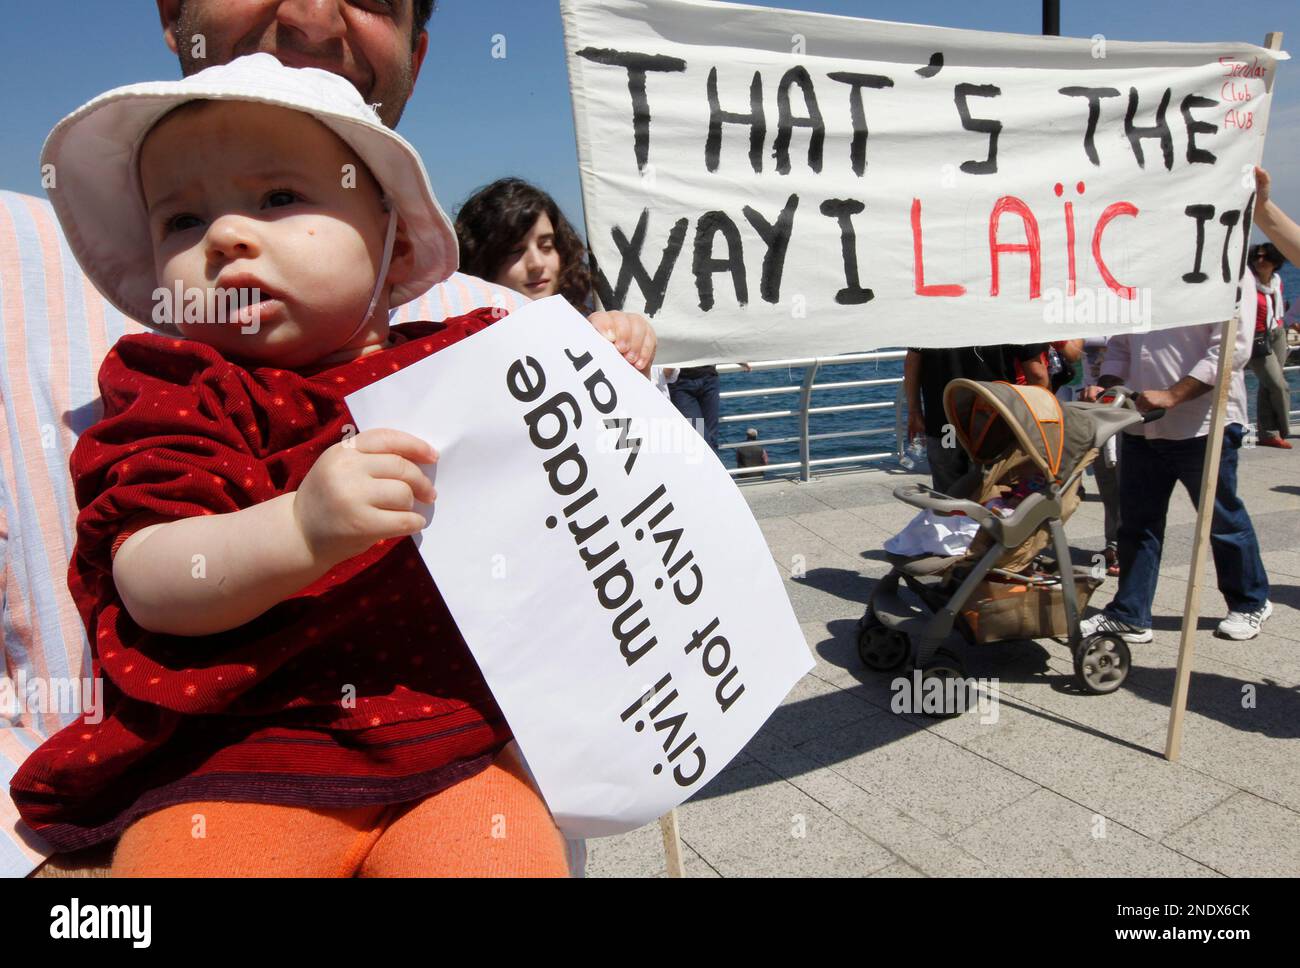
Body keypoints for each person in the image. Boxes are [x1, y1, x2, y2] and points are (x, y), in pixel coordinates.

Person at [9, 55, 657, 876]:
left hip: (457, 737)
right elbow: (147, 576)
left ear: (391, 249)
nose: (224, 235)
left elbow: (562, 454)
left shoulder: (465, 357)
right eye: (179, 221)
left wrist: (601, 356)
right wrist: (299, 530)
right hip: (242, 758)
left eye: (280, 198)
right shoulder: (179, 391)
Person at [1079, 316, 1271, 643]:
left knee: (1221, 519)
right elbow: (1120, 346)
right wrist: (1108, 386)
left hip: (1205, 425)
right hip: (1141, 422)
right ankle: (1130, 613)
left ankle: (1250, 601)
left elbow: (1228, 352)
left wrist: (1172, 396)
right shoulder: (1142, 276)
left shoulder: (1231, 272)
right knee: (1137, 524)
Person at [904, 344, 1049, 494]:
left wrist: (914, 412)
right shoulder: (1012, 320)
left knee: (946, 496)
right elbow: (1037, 374)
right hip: (994, 422)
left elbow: (912, 362)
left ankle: (949, 515)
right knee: (991, 493)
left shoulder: (930, 321)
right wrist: (1037, 419)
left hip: (944, 420)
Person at [455, 177, 594, 312]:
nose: (537, 264)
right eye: (515, 250)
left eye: (546, 246)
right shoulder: (457, 333)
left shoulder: (585, 325)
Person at [1082, 337, 1122, 576]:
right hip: (1091, 403)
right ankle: (1114, 543)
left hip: (1124, 401)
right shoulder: (1080, 313)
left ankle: (1125, 546)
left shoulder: (1129, 311)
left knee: (1124, 480)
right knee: (1106, 482)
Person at [1247, 242, 1292, 448]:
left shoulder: (1277, 282)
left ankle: (1268, 433)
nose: (1260, 261)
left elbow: (1279, 308)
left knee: (1268, 386)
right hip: (1256, 337)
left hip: (1277, 333)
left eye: (1265, 257)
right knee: (1279, 386)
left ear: (1275, 261)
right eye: (1257, 257)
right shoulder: (1247, 284)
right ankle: (1285, 429)